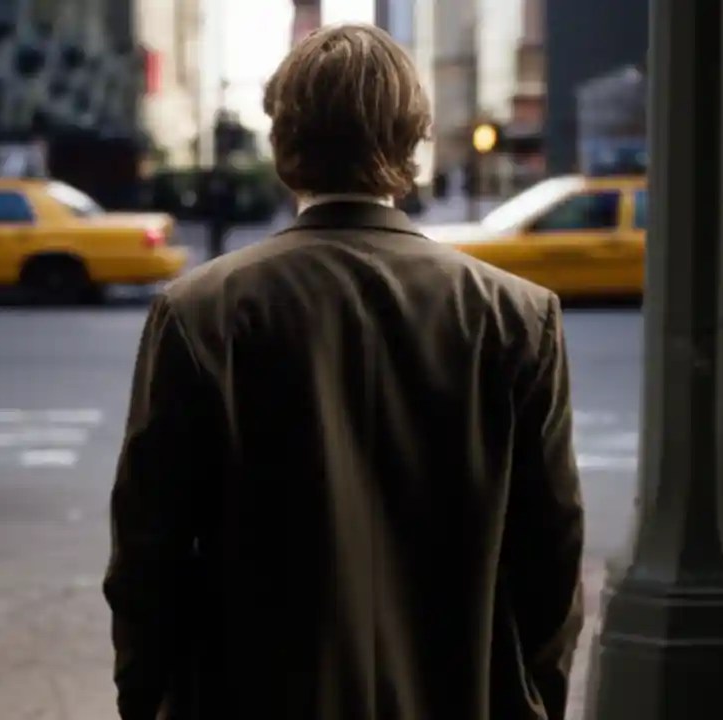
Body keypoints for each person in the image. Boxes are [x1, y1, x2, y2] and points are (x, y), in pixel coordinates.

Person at [104, 23, 584, 720]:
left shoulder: (200, 312)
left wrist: (147, 700)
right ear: (412, 141)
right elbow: (550, 559)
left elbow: (149, 555)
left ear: (281, 143)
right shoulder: (517, 316)